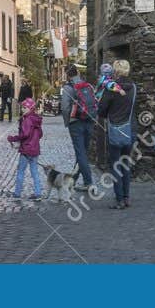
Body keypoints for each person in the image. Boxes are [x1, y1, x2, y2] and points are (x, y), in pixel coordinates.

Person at [97, 58, 136, 210]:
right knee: (126, 164)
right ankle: (126, 197)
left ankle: (119, 199)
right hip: (130, 130)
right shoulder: (133, 87)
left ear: (115, 71)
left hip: (115, 130)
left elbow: (101, 110)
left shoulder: (111, 89)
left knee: (115, 165)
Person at [60, 64, 97, 189]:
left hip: (76, 123)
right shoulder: (88, 85)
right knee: (82, 152)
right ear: (78, 73)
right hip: (89, 122)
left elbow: (65, 107)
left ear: (67, 74)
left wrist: (67, 121)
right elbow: (95, 102)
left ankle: (88, 182)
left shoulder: (68, 87)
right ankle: (73, 180)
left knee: (80, 153)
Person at [8, 97, 44, 207]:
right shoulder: (36, 119)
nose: (22, 109)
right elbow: (40, 134)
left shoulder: (27, 120)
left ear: (30, 108)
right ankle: (38, 193)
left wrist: (13, 138)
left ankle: (17, 192)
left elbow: (25, 134)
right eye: (22, 107)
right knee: (35, 172)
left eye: (24, 107)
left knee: (20, 171)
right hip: (35, 150)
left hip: (26, 150)